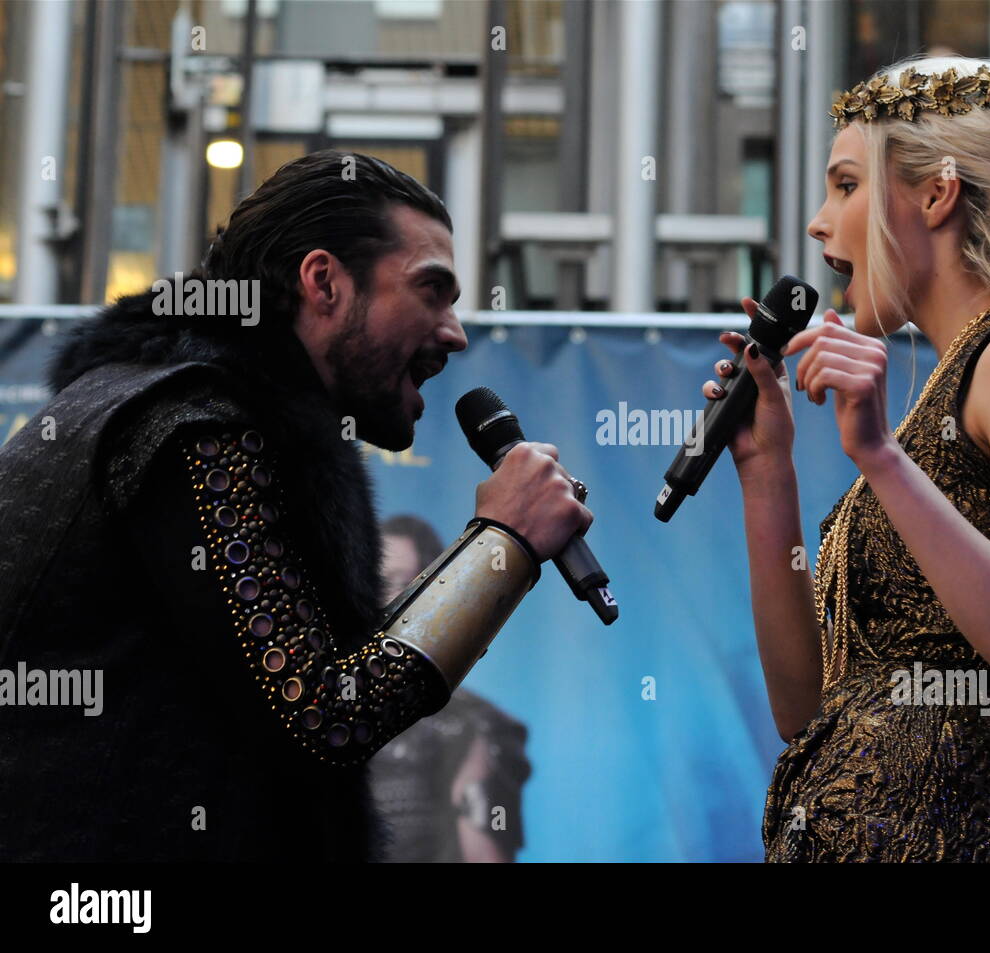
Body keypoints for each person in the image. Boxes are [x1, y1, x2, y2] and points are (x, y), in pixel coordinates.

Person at [0, 151, 590, 861]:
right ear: (324, 283)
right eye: (432, 290)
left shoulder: (169, 405)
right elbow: (327, 716)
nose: (455, 332)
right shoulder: (196, 427)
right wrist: (504, 544)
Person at [702, 57, 990, 862]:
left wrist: (875, 455)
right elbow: (806, 712)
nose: (816, 221)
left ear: (937, 194)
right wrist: (768, 472)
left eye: (844, 185)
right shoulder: (940, 396)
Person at [370, 515, 530, 863]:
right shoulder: (320, 704)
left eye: (406, 582)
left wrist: (475, 781)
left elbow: (488, 854)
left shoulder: (478, 725)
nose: (390, 597)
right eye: (378, 583)